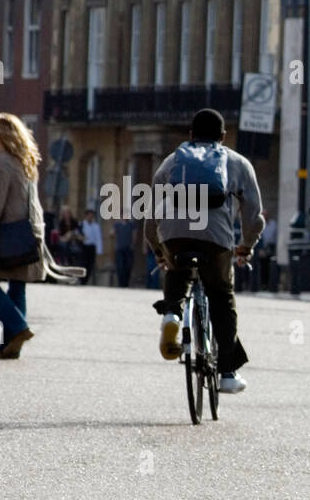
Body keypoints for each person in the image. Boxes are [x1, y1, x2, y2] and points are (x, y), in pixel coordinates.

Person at [146, 109, 263, 393]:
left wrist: (158, 250)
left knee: (177, 268)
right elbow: (253, 216)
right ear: (223, 136)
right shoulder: (236, 162)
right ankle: (227, 373)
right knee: (222, 297)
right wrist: (247, 245)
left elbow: (151, 214)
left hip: (174, 235)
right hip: (215, 239)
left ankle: (172, 314)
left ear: (190, 135)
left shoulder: (173, 161)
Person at [0, 114, 84, 359]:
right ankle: (11, 346)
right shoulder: (26, 161)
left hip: (9, 234)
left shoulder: (1, 163)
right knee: (17, 287)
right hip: (29, 232)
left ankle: (19, 328)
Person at [113, 214, 138, 287]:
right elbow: (112, 233)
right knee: (120, 267)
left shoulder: (132, 224)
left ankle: (126, 283)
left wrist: (133, 244)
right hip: (119, 249)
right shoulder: (117, 224)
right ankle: (121, 284)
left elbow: (134, 235)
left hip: (129, 249)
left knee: (128, 266)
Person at [80, 208, 103, 285]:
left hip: (92, 248)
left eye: (92, 215)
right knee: (83, 263)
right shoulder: (82, 224)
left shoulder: (96, 226)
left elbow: (98, 238)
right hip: (84, 247)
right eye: (89, 215)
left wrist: (99, 251)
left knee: (90, 265)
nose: (90, 216)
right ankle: (81, 279)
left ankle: (85, 280)